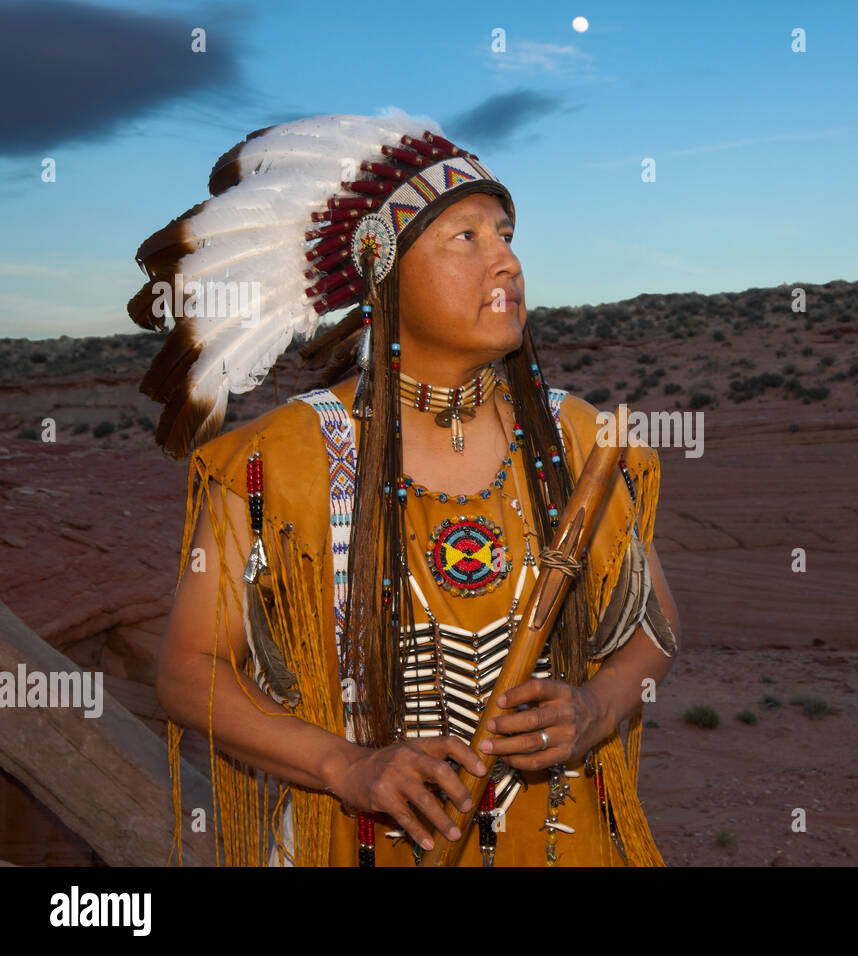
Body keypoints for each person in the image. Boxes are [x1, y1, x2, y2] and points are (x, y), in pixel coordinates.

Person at [131, 113, 681, 866]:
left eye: (507, 234)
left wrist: (597, 706)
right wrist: (344, 764)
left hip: (561, 842)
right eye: (468, 237)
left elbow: (655, 621)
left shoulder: (580, 440)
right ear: (382, 268)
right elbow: (190, 673)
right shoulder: (273, 463)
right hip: (358, 845)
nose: (508, 263)